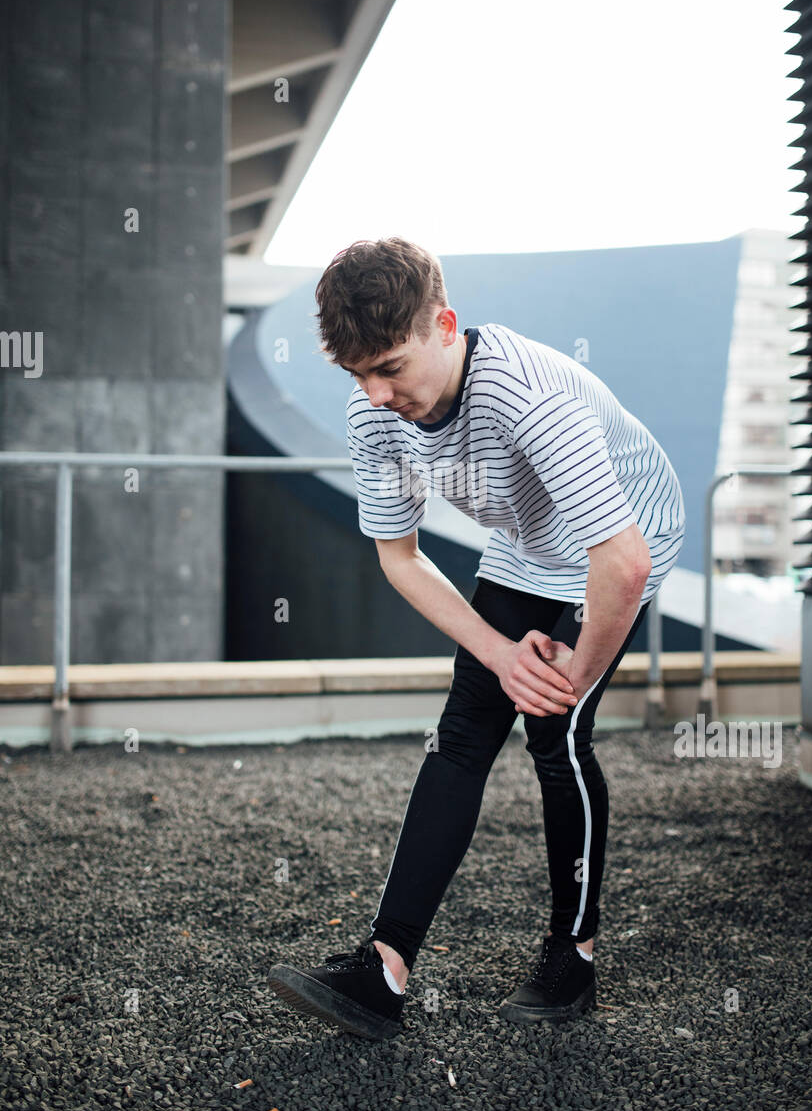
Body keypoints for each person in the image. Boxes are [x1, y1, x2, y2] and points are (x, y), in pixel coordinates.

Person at [268, 236, 685, 1040]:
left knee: (555, 734)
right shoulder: (375, 410)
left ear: (445, 324)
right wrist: (499, 654)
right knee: (460, 733)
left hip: (625, 541)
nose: (376, 393)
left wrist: (563, 678)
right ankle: (382, 971)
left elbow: (624, 565)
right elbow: (400, 557)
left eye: (390, 367)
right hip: (530, 546)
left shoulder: (529, 398)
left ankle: (575, 954)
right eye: (357, 374)